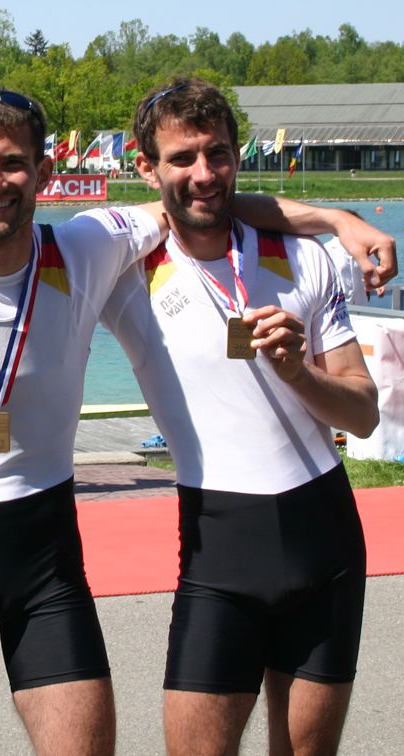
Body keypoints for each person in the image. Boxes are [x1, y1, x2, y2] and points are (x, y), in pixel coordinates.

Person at [0, 89, 394, 755]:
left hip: (76, 558)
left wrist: (334, 221)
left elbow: (199, 200)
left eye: (13, 164)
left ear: (43, 173)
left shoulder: (92, 249)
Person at [100, 77, 384, 756]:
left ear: (237, 155)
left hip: (324, 540)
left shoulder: (302, 259)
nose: (204, 173)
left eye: (219, 154)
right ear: (147, 167)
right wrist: (338, 214)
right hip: (218, 552)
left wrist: (298, 370)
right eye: (182, 158)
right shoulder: (126, 269)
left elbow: (366, 413)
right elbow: (18, 237)